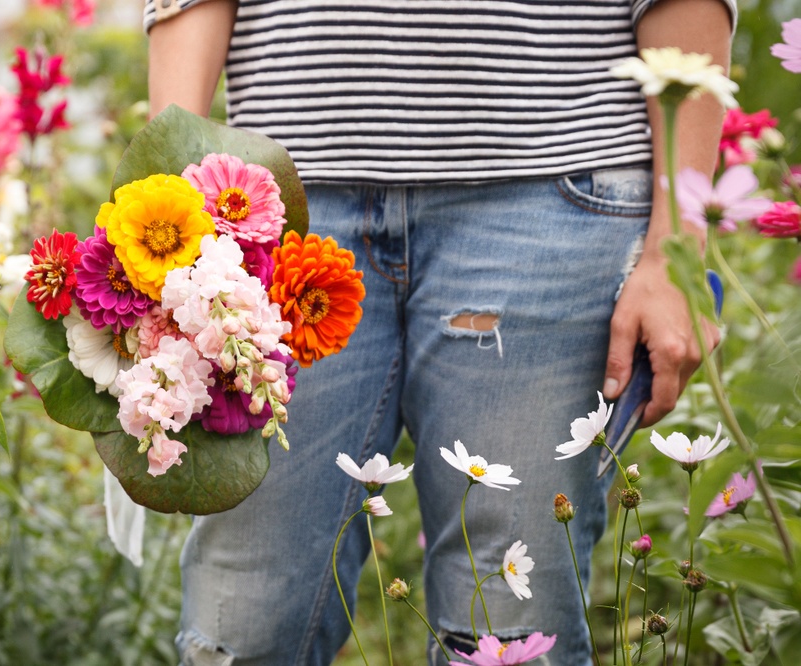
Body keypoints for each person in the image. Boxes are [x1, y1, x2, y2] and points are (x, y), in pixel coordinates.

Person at [144, 0, 731, 663]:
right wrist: (170, 192)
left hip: (549, 195)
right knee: (243, 628)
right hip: (274, 202)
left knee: (509, 631)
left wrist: (677, 244)